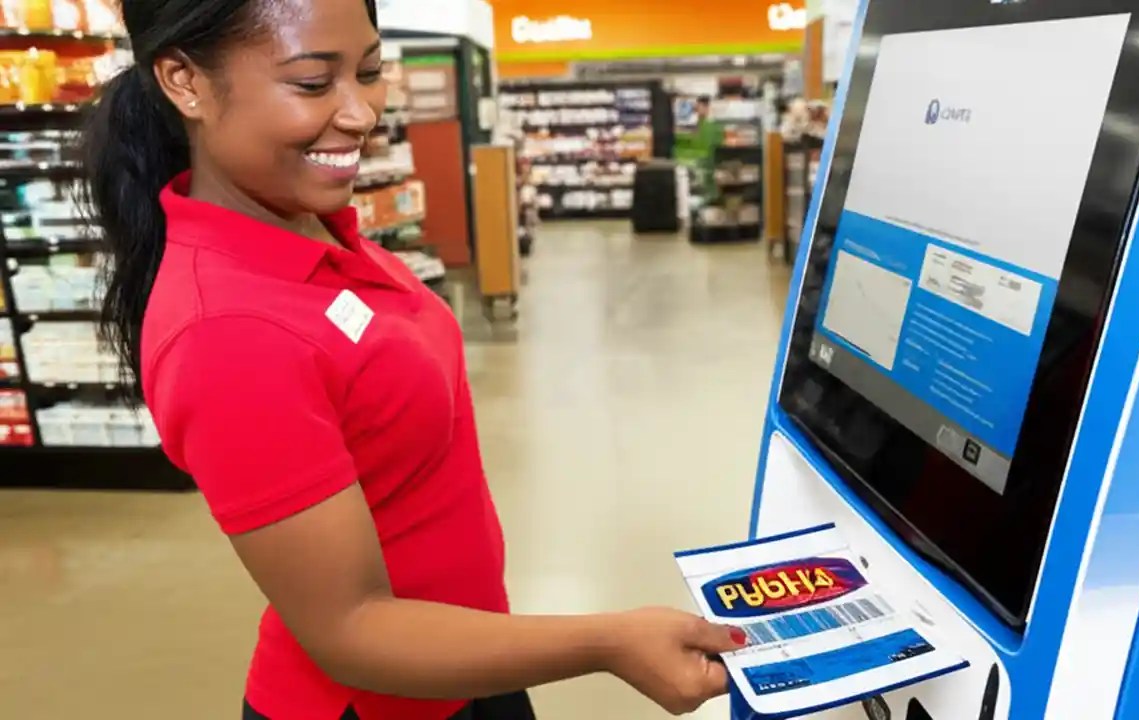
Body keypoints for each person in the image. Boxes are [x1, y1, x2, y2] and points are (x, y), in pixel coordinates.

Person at [76, 1, 748, 719]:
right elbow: (349, 627)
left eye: (369, 71)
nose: (361, 113)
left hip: (463, 662)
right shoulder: (225, 331)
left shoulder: (309, 225)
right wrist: (607, 642)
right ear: (185, 81)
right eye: (311, 82)